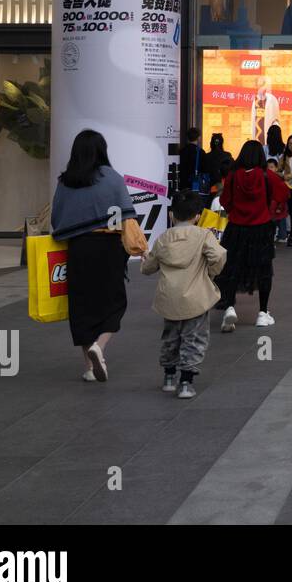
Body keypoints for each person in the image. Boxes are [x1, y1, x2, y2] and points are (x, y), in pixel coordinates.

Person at [50, 129, 145, 382]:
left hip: (79, 249)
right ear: (102, 150)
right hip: (109, 248)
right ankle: (99, 347)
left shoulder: (66, 181)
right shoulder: (112, 178)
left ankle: (89, 368)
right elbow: (127, 216)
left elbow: (57, 221)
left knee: (82, 307)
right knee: (114, 302)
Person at [141, 192, 226, 399]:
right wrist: (210, 273)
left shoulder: (163, 238)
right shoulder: (203, 235)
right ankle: (186, 382)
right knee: (194, 339)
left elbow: (148, 268)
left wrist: (145, 259)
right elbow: (219, 255)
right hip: (196, 297)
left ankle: (169, 377)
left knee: (170, 337)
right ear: (197, 216)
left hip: (168, 298)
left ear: (172, 215)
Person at [217, 140, 289, 331]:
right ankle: (263, 313)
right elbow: (283, 193)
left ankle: (230, 308)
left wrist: (236, 210)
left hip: (236, 229)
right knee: (264, 270)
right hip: (261, 229)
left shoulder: (232, 175)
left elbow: (225, 200)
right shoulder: (267, 176)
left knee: (232, 269)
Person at [179, 127, 209, 200]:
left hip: (183, 185)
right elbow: (205, 170)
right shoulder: (201, 152)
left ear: (187, 138)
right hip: (196, 186)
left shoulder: (182, 151)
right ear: (199, 138)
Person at [203, 132, 234, 200]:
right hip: (224, 188)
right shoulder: (227, 155)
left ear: (211, 143)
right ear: (222, 143)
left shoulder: (206, 156)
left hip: (209, 189)